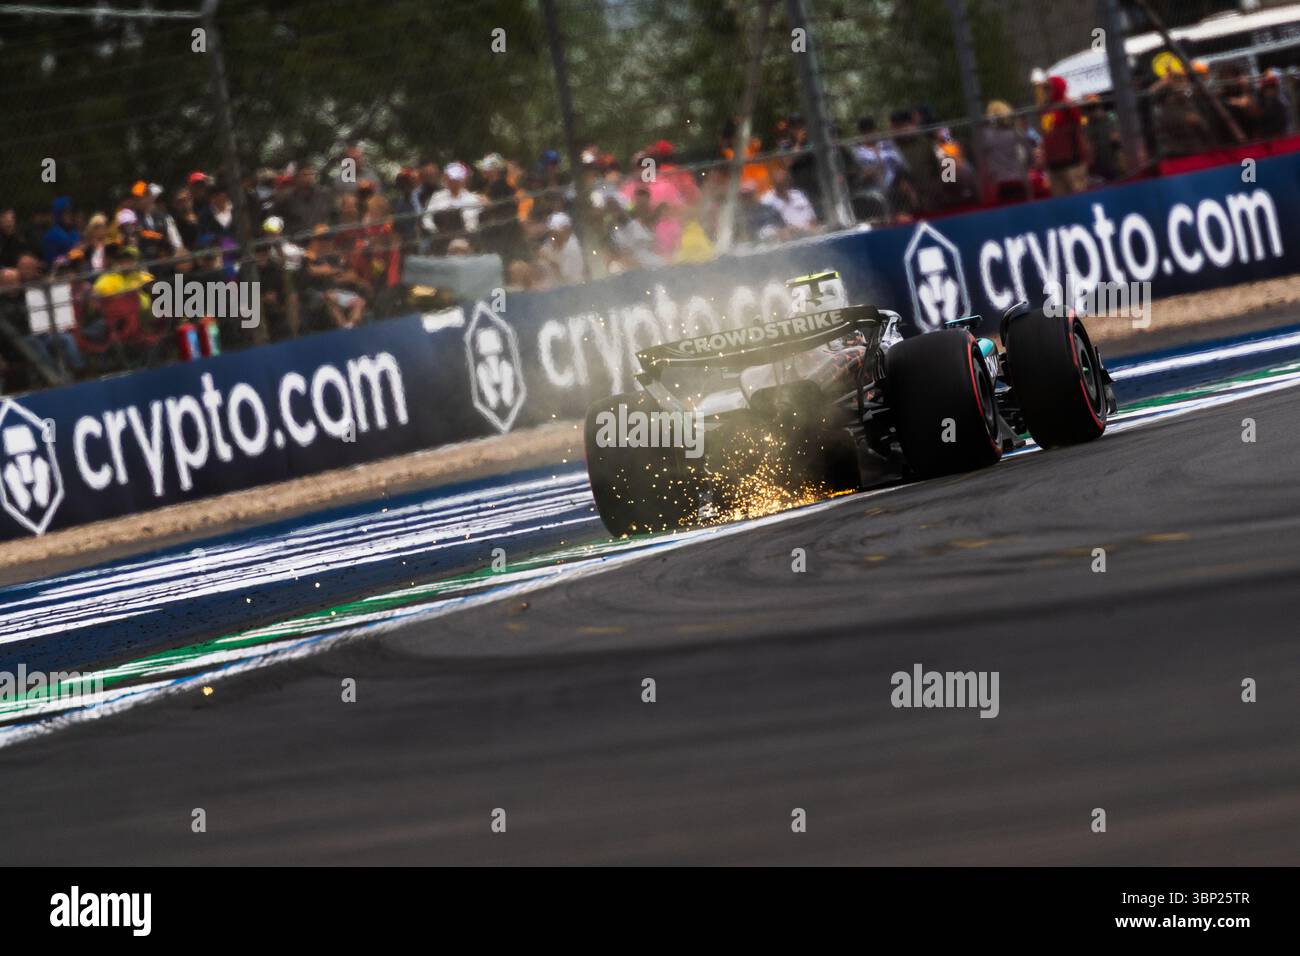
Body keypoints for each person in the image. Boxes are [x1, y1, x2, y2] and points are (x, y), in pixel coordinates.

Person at [1041, 76, 1089, 196]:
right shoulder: (1046, 109)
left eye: (1048, 88)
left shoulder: (1068, 105)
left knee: (1078, 195)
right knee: (1060, 200)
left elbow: (1081, 124)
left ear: (1057, 88)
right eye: (1045, 89)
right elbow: (1046, 132)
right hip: (1054, 164)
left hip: (1072, 161)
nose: (1046, 92)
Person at [979, 101, 1030, 203]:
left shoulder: (986, 135)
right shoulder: (1015, 133)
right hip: (1017, 178)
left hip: (999, 181)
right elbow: (1029, 154)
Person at [537, 212, 584, 285]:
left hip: (572, 289)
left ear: (567, 231)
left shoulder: (573, 247)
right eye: (552, 232)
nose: (553, 236)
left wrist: (551, 263)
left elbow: (565, 280)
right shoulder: (549, 243)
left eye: (557, 233)